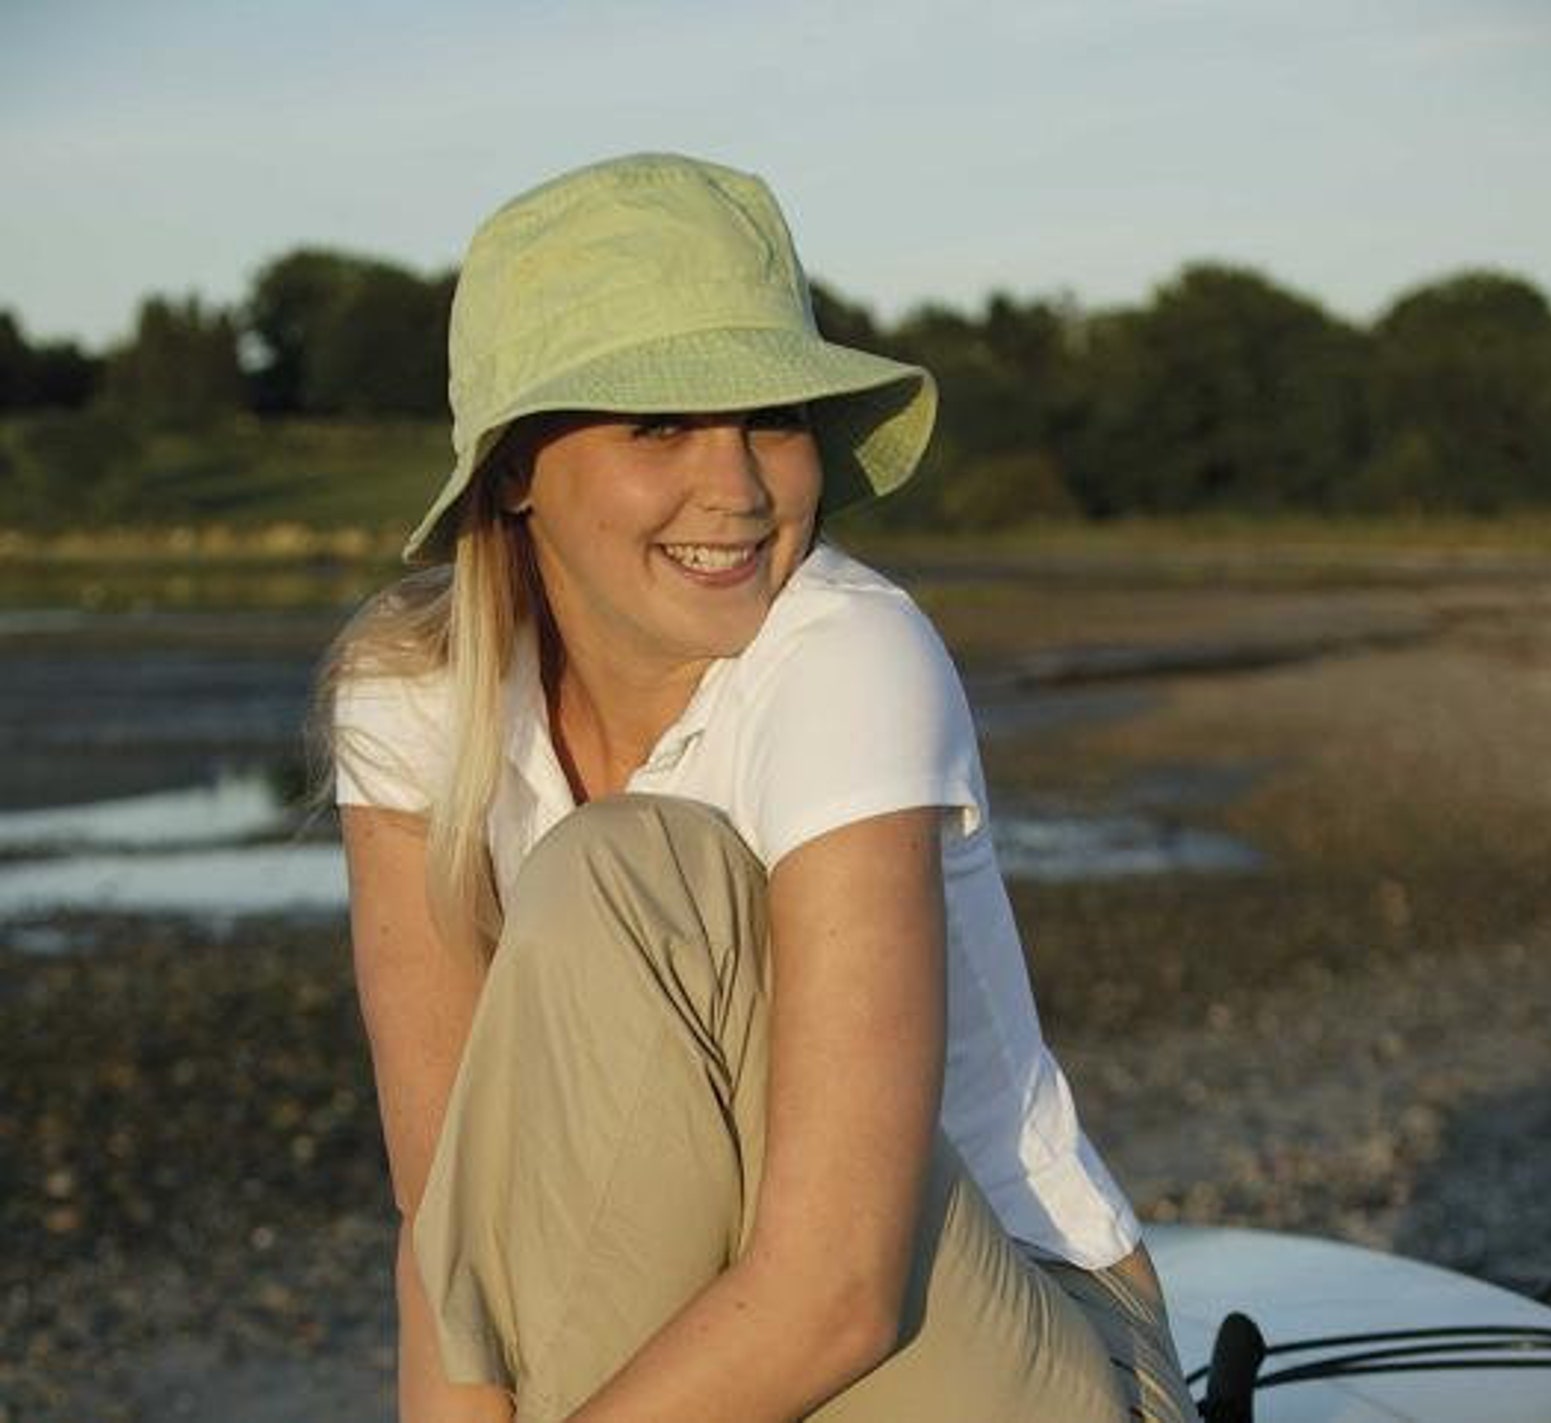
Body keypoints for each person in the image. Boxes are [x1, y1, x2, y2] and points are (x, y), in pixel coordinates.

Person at [324, 152, 1196, 1422]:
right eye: (660, 423)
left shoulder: (846, 653)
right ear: (514, 470)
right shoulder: (413, 694)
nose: (734, 489)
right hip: (709, 1333)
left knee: (627, 869)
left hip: (1018, 1347)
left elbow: (837, 1290)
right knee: (534, 1122)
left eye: (771, 420)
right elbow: (450, 1234)